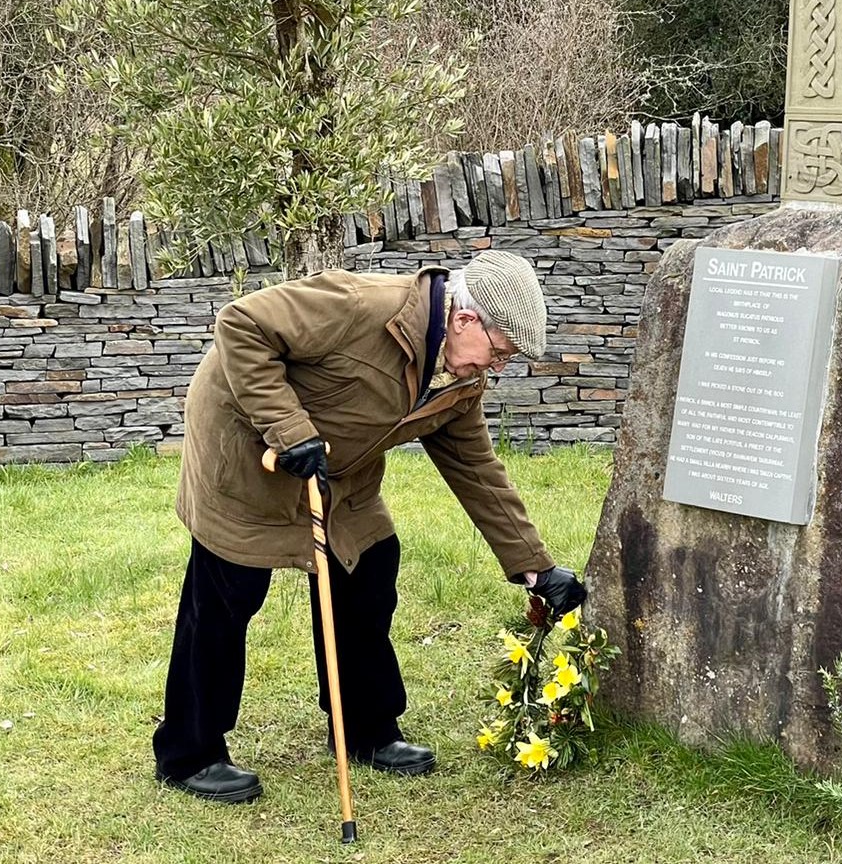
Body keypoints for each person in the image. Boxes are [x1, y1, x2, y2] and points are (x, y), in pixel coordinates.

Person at [152, 250, 587, 803]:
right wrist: (288, 427)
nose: (497, 367)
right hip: (246, 449)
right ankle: (190, 752)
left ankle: (365, 729)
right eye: (500, 352)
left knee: (369, 571)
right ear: (465, 319)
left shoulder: (459, 380)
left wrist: (535, 568)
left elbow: (476, 469)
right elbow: (242, 324)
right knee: (225, 598)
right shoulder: (360, 305)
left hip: (341, 469)